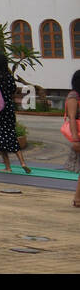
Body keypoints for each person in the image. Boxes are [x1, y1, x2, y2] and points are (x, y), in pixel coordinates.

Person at [64, 69, 80, 208]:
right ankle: (77, 198)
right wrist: (75, 139)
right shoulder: (73, 97)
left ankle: (78, 198)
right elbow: (73, 118)